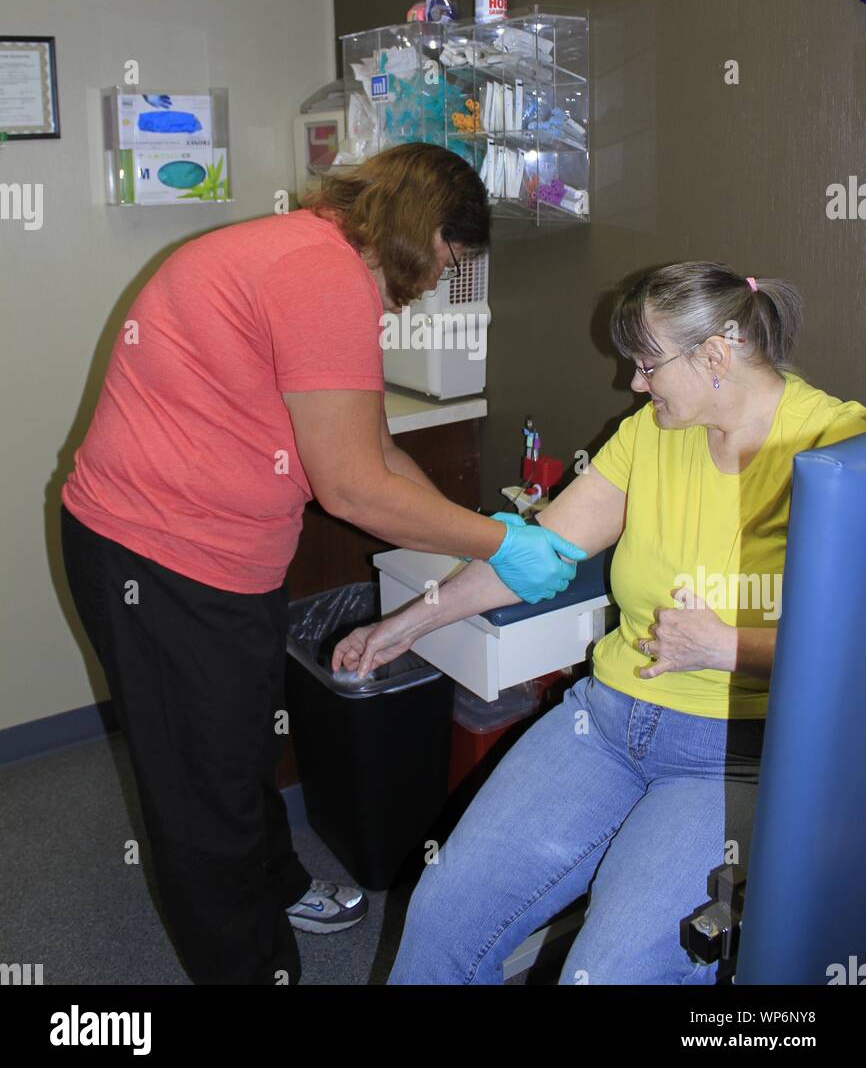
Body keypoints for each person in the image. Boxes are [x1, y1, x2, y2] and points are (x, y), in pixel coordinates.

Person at [59, 142, 583, 986]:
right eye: (454, 258)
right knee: (205, 795)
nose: (442, 279)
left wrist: (473, 531)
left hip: (214, 559)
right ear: (430, 229)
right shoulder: (322, 275)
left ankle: (277, 883)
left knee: (236, 747)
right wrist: (499, 544)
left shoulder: (306, 252)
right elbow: (350, 490)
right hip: (159, 560)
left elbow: (372, 449)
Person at [333, 261, 866, 985]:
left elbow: (853, 649)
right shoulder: (651, 432)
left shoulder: (836, 447)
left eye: (648, 365)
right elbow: (541, 552)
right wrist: (404, 626)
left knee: (608, 972)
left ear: (715, 355)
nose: (636, 385)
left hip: (733, 760)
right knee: (443, 910)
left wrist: (728, 645)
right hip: (607, 724)